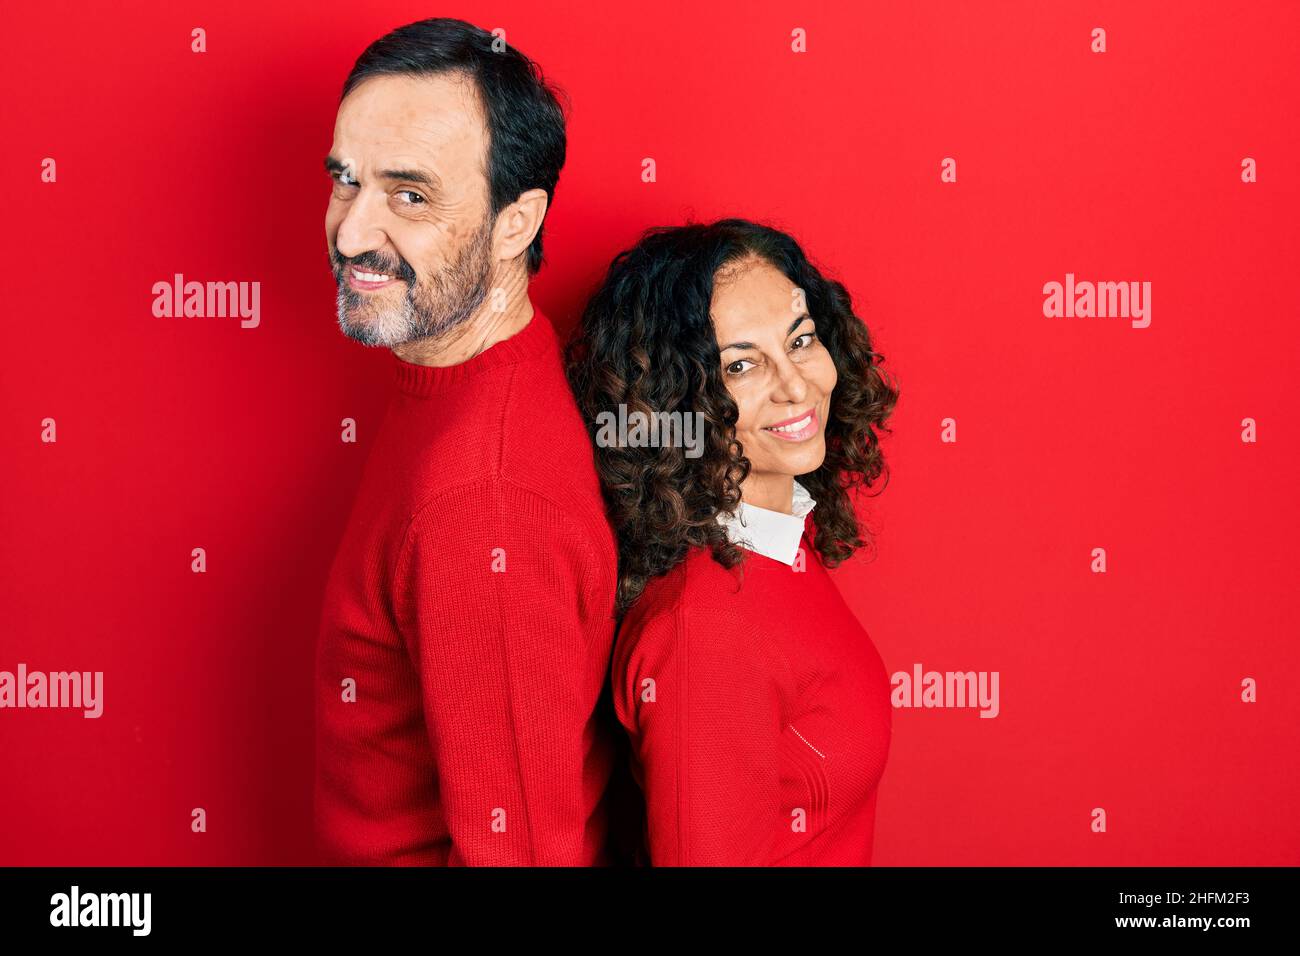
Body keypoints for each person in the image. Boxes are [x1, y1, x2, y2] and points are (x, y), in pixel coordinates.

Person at [314, 17, 628, 865]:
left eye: (410, 195)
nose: (350, 233)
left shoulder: (481, 507)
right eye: (348, 180)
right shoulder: (470, 376)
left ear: (516, 223)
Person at [565, 218, 900, 865]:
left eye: (800, 340)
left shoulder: (778, 547)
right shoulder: (705, 631)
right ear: (671, 404)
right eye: (741, 364)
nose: (796, 384)